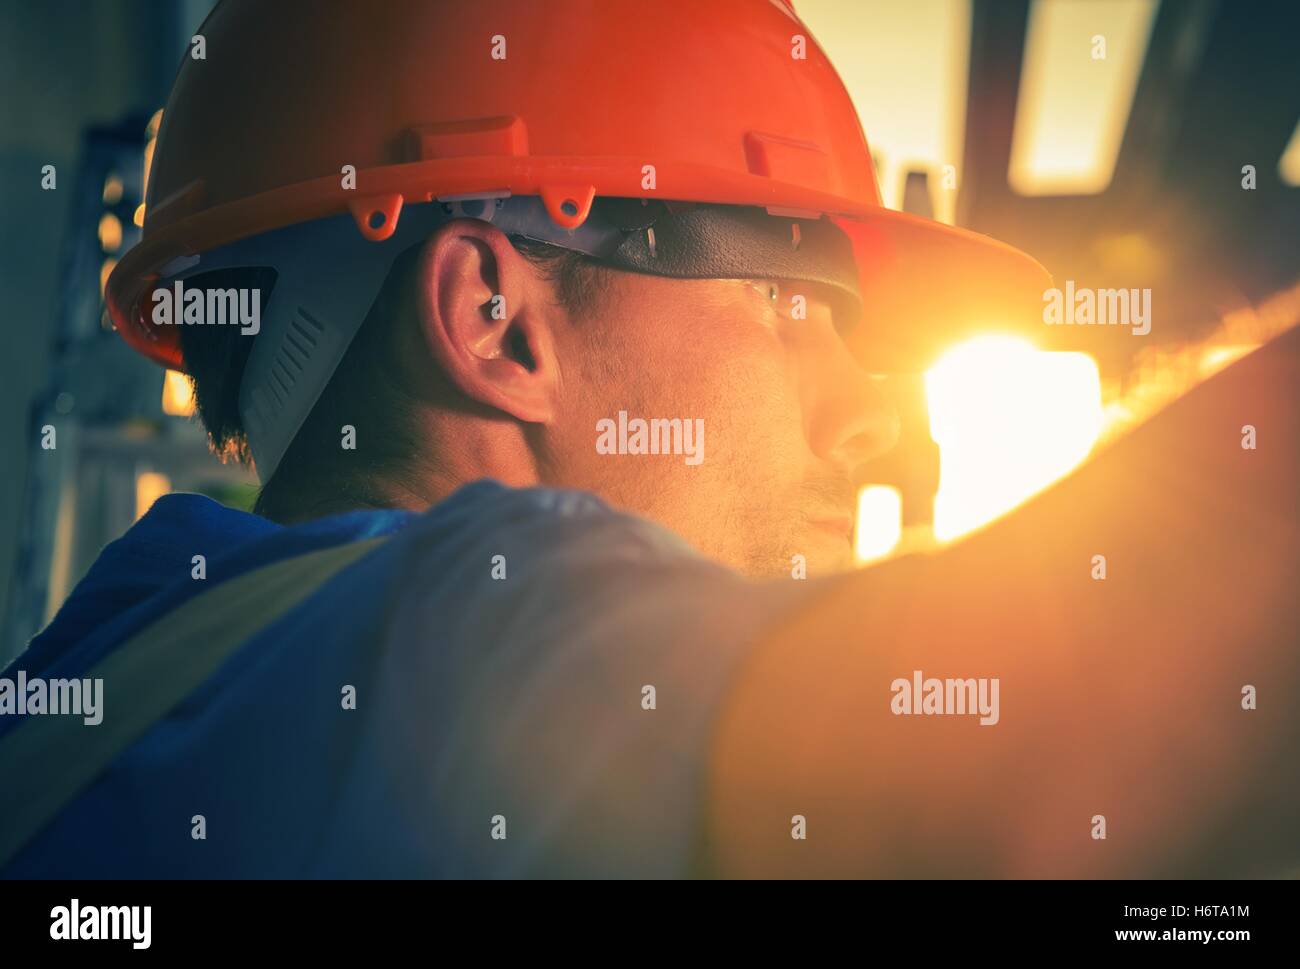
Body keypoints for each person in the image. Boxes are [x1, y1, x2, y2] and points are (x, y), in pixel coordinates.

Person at [2, 0, 1296, 878]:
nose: (865, 418)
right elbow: (1049, 775)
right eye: (792, 303)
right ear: (498, 322)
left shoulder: (104, 670)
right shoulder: (476, 621)